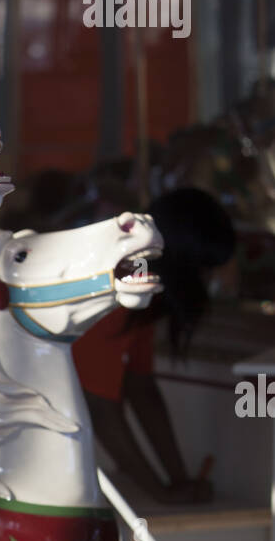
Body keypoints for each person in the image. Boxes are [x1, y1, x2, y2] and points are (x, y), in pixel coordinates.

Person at [73, 187, 236, 504]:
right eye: (206, 268)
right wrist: (161, 493)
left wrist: (178, 480)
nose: (213, 280)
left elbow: (141, 387)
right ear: (183, 264)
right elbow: (101, 411)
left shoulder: (142, 292)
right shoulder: (119, 288)